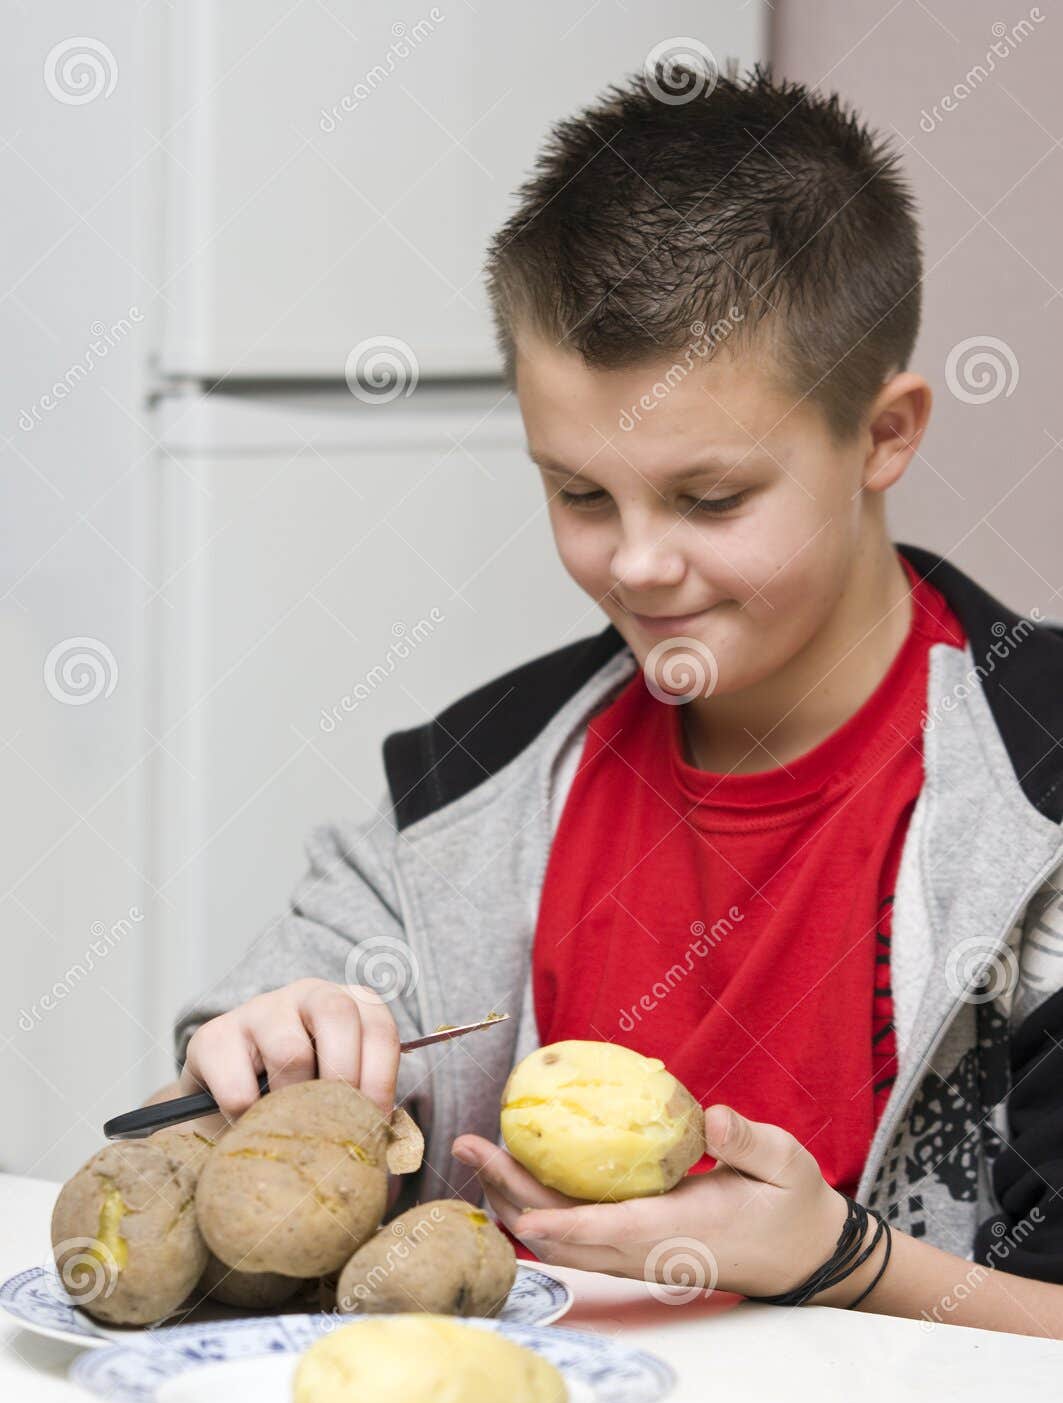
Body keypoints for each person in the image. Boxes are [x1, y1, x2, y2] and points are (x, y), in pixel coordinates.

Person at [159, 66, 1063, 1336]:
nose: (635, 564)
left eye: (708, 500)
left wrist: (841, 1260)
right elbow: (220, 1141)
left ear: (883, 433)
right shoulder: (466, 789)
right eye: (580, 495)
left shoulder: (1039, 792)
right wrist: (260, 1060)